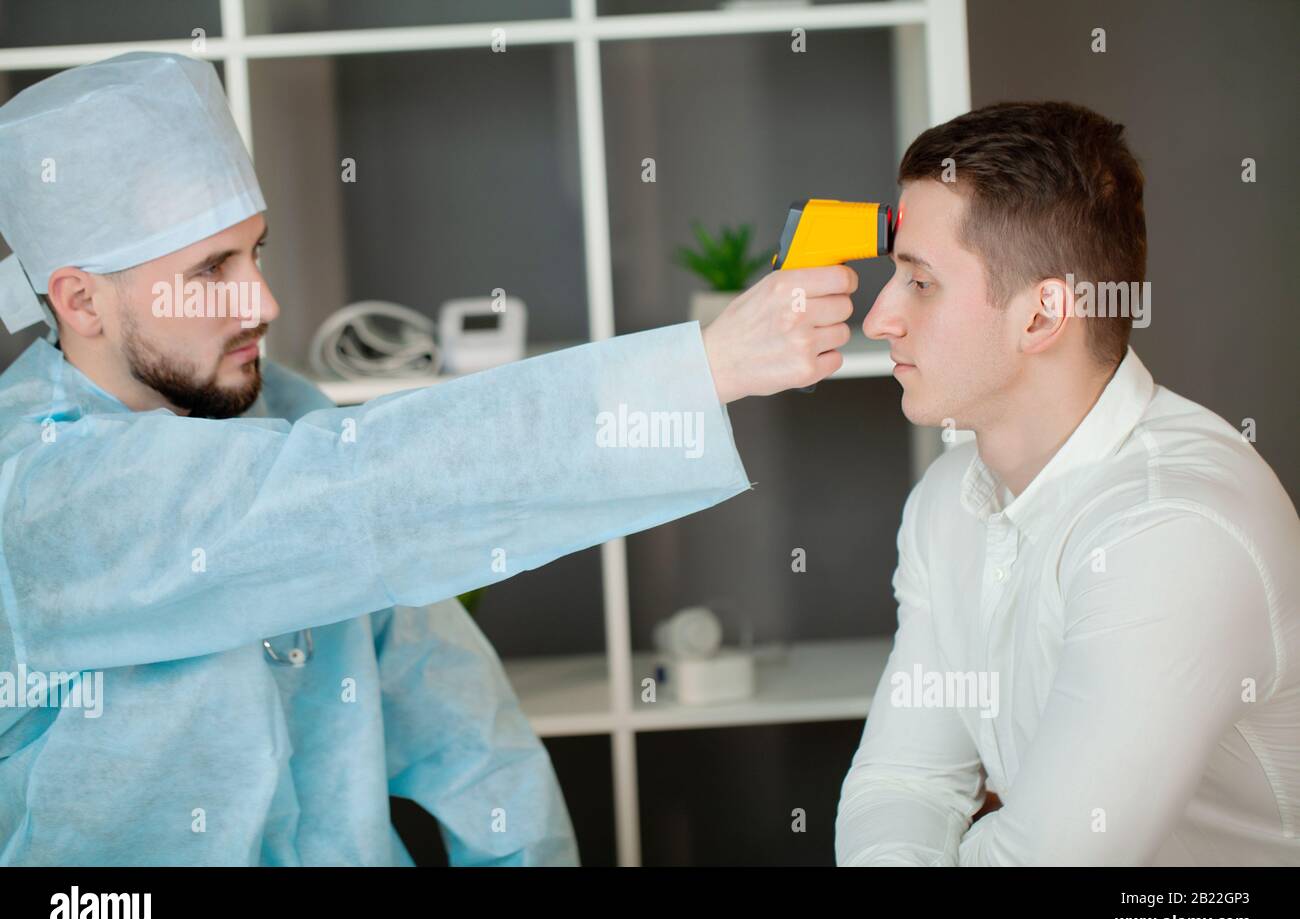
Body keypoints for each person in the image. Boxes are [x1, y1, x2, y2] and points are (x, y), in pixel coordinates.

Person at [0, 52, 857, 866]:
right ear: (82, 300)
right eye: (212, 268)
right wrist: (701, 371)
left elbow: (456, 711)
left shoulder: (281, 410)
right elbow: (369, 489)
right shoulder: (46, 491)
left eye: (254, 250)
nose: (262, 300)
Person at [835, 101, 1299, 866]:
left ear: (1043, 313)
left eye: (919, 282)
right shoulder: (949, 501)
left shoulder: (1173, 532)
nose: (880, 315)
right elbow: (907, 780)